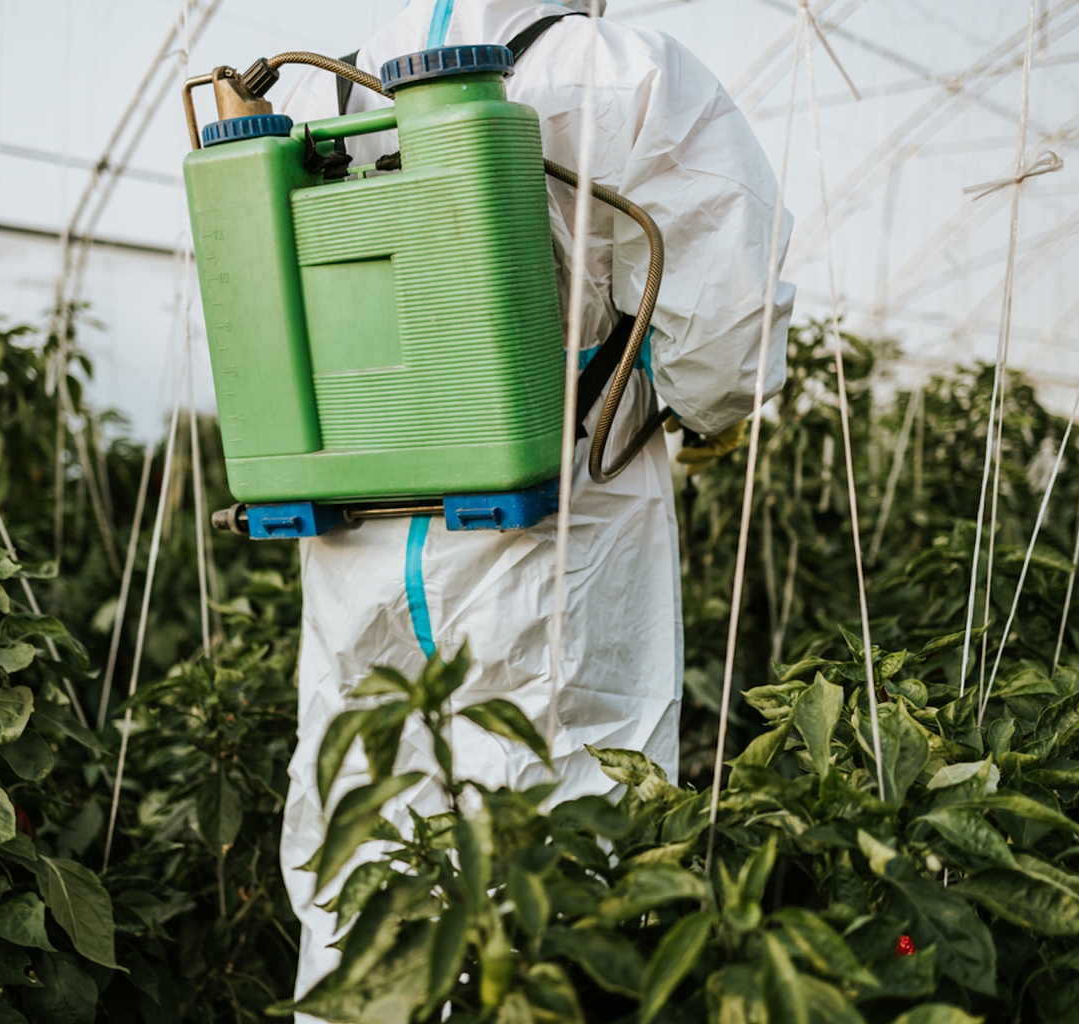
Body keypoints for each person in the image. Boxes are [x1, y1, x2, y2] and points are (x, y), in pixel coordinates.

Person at [277, 0, 795, 1011]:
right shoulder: (622, 73)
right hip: (555, 526)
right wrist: (659, 393)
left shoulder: (320, 86)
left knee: (364, 850)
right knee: (555, 834)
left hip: (359, 534)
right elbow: (730, 340)